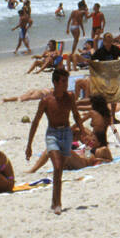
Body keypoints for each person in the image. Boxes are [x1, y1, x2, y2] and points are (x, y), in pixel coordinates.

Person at [25, 66, 84, 214]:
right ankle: (57, 203)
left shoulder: (69, 97)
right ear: (56, 82)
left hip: (66, 133)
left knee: (59, 171)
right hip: (52, 134)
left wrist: (82, 131)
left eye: (66, 81)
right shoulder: (46, 101)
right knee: (57, 167)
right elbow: (36, 122)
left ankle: (54, 201)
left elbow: (76, 115)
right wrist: (29, 145)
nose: (66, 84)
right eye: (63, 81)